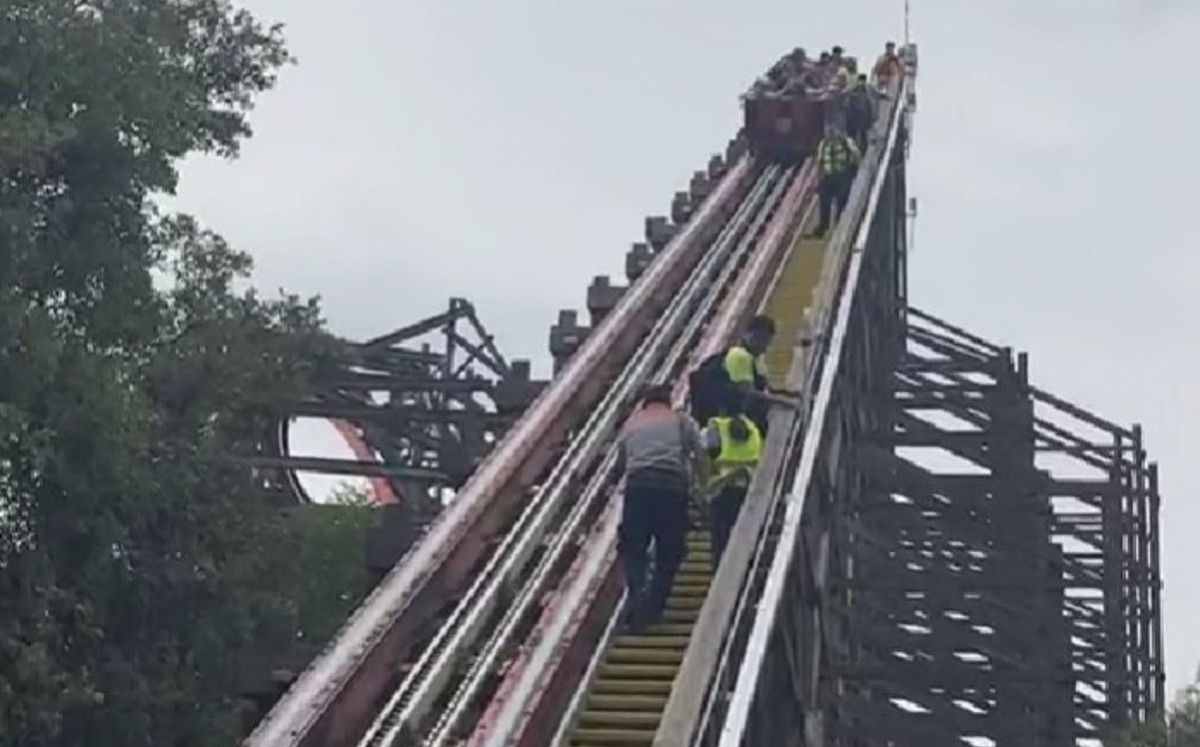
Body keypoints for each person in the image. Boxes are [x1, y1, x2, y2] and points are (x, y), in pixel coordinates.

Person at [615, 382, 706, 631]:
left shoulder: (632, 424)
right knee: (670, 551)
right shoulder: (679, 420)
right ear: (668, 401)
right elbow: (699, 453)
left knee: (634, 549)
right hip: (671, 489)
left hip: (637, 488)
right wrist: (702, 490)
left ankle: (635, 599)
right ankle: (653, 608)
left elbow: (622, 460)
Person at [688, 315, 798, 434]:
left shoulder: (753, 358)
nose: (766, 347)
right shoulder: (740, 356)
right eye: (764, 340)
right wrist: (786, 403)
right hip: (730, 424)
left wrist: (790, 394)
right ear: (752, 336)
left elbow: (766, 389)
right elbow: (750, 394)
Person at [702, 398, 764, 565]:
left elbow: (706, 456)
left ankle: (719, 571)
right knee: (743, 534)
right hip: (745, 489)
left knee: (719, 537)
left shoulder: (716, 426)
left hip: (720, 488)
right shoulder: (753, 429)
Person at [812, 125, 861, 238]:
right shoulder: (823, 144)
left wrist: (852, 171)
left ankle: (838, 227)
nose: (832, 134)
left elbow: (856, 155)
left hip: (842, 176)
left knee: (841, 202)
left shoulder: (846, 142)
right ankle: (823, 227)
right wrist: (819, 179)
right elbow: (820, 162)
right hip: (828, 176)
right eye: (830, 132)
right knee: (824, 202)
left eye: (833, 131)